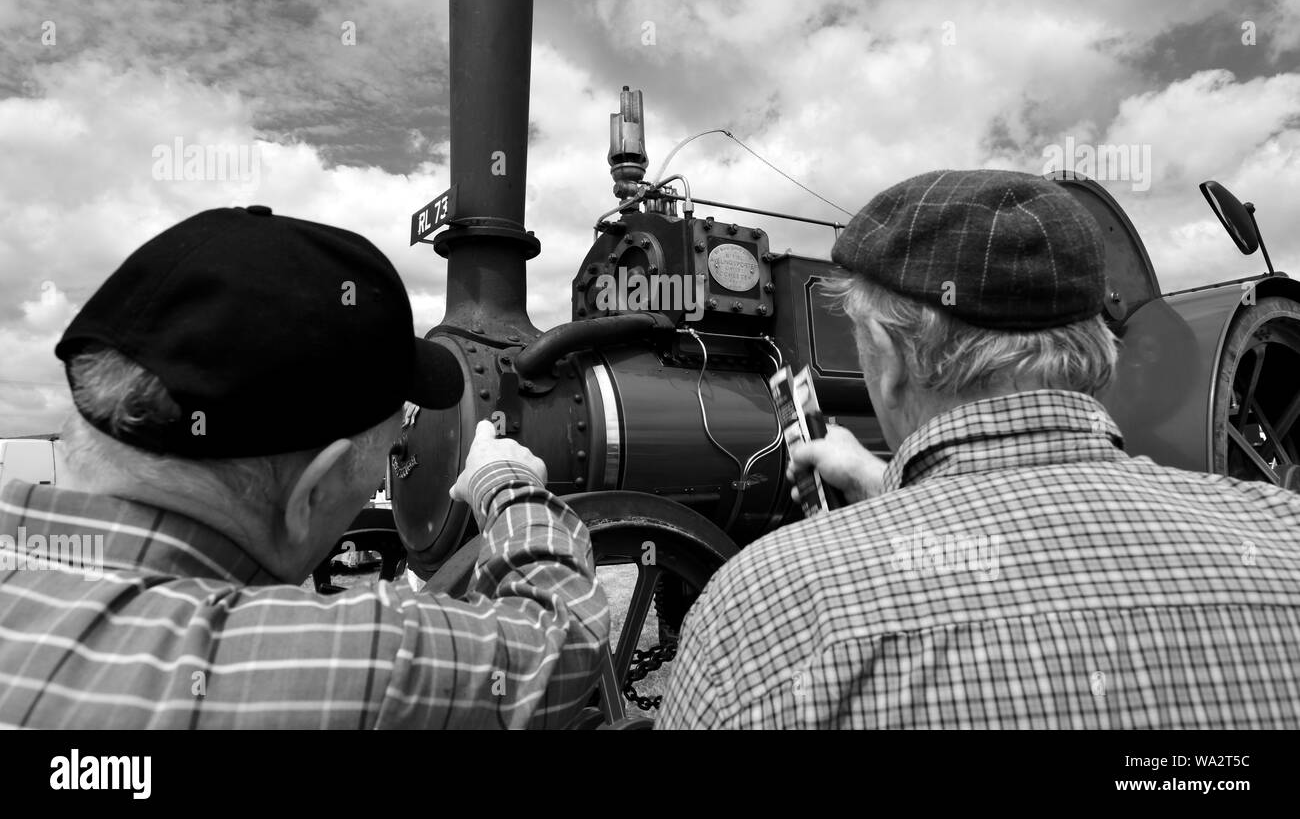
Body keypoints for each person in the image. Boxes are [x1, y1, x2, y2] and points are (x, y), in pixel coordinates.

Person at [659, 169, 1300, 729]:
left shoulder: (760, 608)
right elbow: (1036, 531)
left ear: (886, 357)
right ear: (1099, 349)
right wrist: (875, 478)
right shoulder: (1285, 533)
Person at [0, 205, 608, 728]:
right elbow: (563, 642)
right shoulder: (318, 667)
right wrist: (507, 481)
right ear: (309, 495)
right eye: (382, 459)